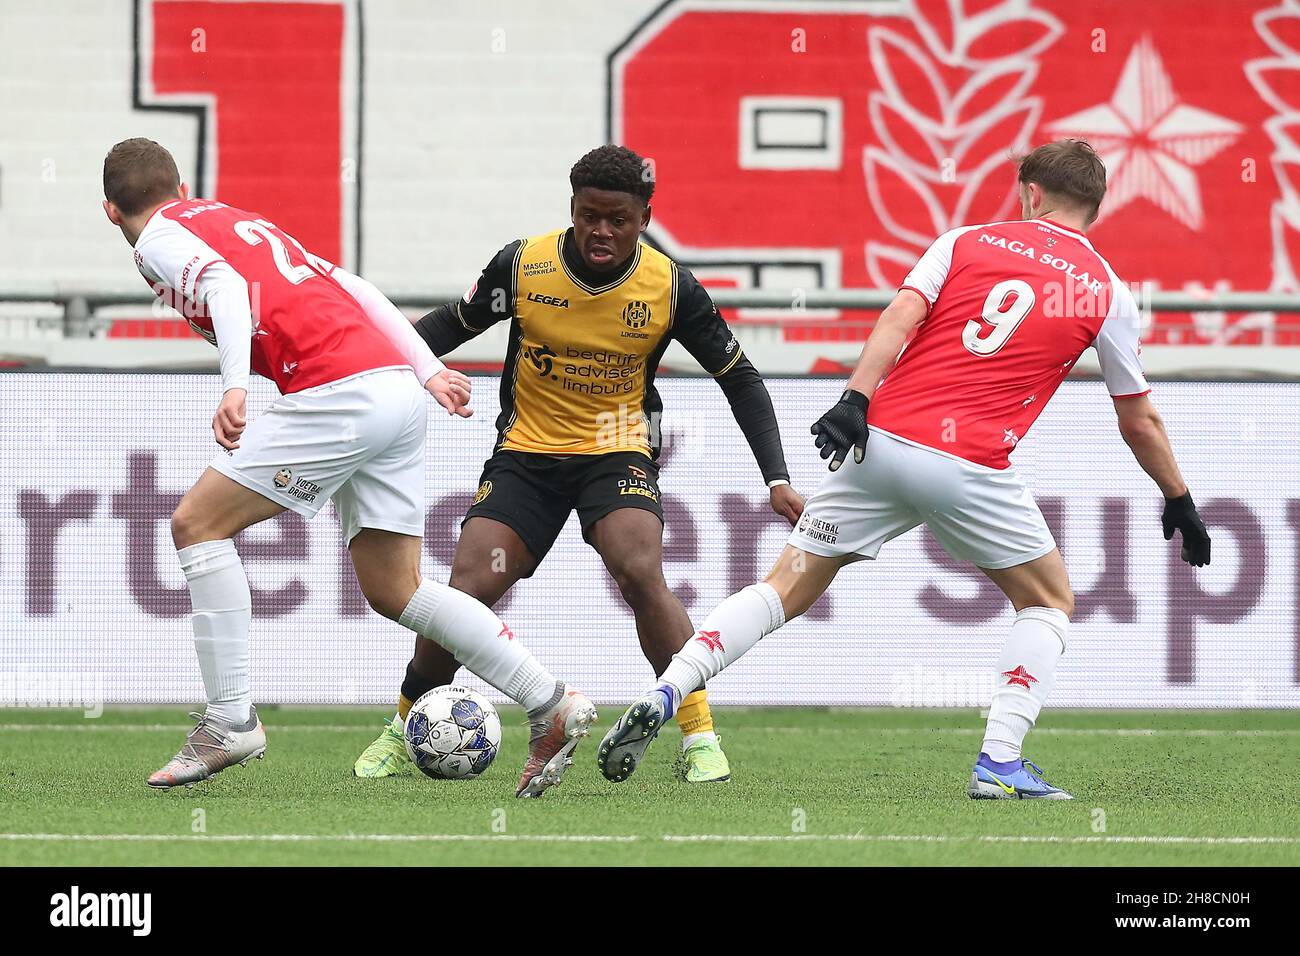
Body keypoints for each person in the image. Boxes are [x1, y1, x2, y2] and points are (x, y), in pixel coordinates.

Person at [597, 139, 1212, 799]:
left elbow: (899, 317)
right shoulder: (1106, 290)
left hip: (880, 442)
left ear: (1032, 193)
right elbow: (1138, 418)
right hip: (969, 464)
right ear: (1097, 202)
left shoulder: (965, 240)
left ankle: (670, 689)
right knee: (1048, 599)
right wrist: (1178, 496)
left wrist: (853, 399)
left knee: (782, 590)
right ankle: (999, 764)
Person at [103, 137, 596, 798]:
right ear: (183, 186)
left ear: (111, 210)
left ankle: (229, 720)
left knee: (197, 525)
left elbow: (220, 286)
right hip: (391, 388)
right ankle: (551, 700)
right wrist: (425, 369)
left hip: (337, 391)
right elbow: (350, 284)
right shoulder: (229, 218)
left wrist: (234, 387)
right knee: (398, 589)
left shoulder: (156, 240)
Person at [352, 144, 802, 783]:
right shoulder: (524, 265)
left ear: (644, 218)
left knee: (641, 569)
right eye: (589, 215)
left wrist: (776, 477)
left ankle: (698, 735)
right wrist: (366, 364)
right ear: (572, 208)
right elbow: (451, 325)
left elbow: (741, 378)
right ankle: (402, 728)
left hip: (617, 451)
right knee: (466, 589)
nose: (602, 231)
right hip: (526, 456)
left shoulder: (669, 287)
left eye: (618, 219)